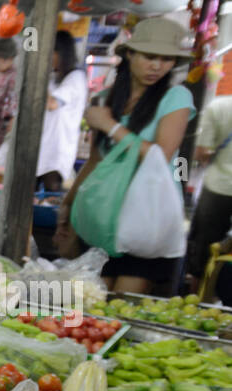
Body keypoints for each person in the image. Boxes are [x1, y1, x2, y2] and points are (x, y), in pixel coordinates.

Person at [58, 17, 194, 295]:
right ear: (129, 53)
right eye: (149, 56)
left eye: (167, 59)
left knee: (124, 306)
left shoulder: (176, 97)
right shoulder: (107, 98)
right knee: (92, 304)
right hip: (101, 215)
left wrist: (111, 126)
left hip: (144, 219)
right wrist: (68, 205)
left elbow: (160, 155)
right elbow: (97, 160)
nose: (157, 66)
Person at [186, 95, 232, 292]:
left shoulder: (219, 106)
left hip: (218, 187)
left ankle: (199, 299)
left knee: (204, 251)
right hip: (217, 187)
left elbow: (202, 151)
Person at [36, 31, 88, 192]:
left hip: (57, 151)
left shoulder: (76, 78)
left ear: (61, 53)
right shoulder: (54, 78)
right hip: (42, 149)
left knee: (53, 194)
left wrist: (38, 72)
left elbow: (51, 104)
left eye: (50, 53)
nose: (48, 58)